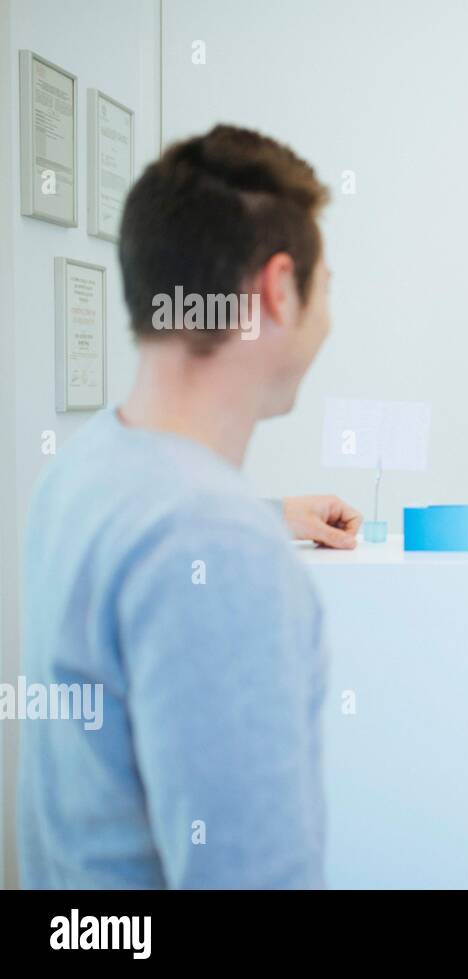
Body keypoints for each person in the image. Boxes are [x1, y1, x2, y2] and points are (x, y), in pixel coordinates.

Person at [20, 124, 356, 888]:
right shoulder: (217, 544)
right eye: (325, 286)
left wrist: (261, 516)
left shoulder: (83, 469)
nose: (328, 314)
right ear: (278, 288)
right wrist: (243, 531)